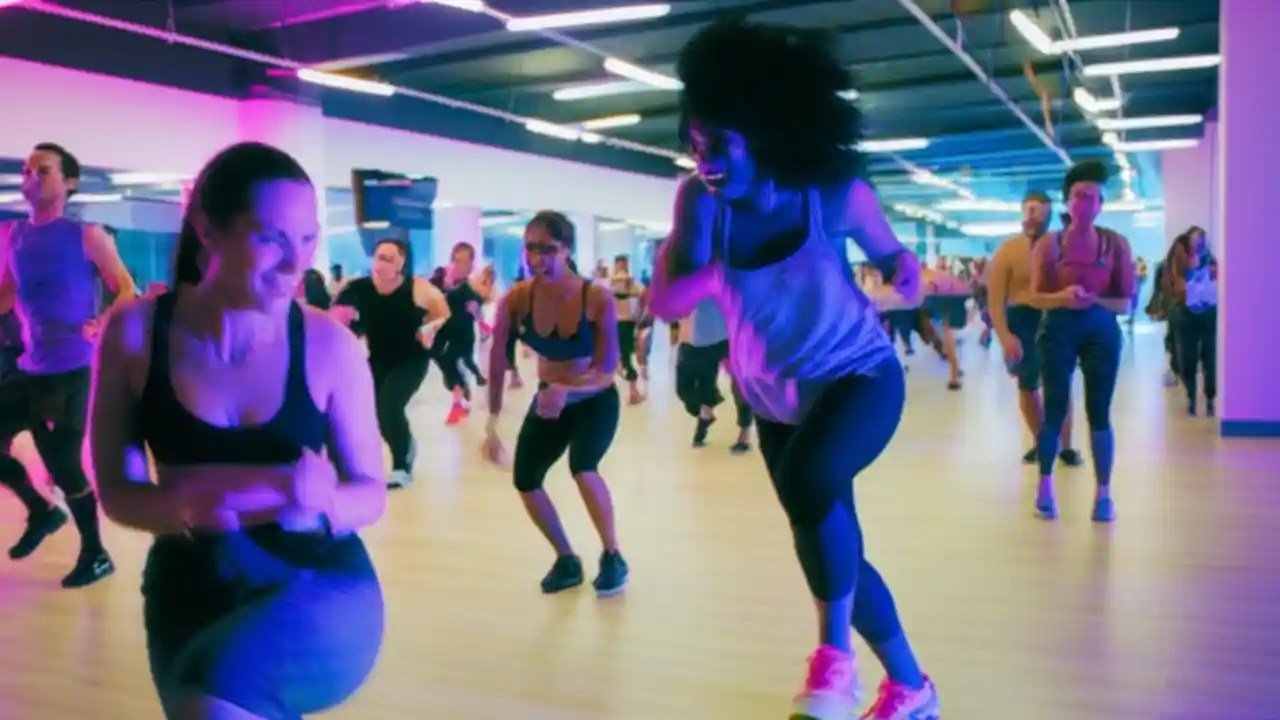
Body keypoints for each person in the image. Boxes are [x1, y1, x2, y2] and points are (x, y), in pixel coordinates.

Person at [648, 20, 938, 719]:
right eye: (694, 145)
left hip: (857, 377)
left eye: (719, 146)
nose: (705, 161)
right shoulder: (698, 203)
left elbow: (898, 263)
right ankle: (912, 687)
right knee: (830, 540)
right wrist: (708, 272)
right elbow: (665, 299)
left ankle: (832, 664)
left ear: (769, 134)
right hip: (774, 397)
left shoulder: (830, 193)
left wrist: (905, 272)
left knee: (811, 487)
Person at [88, 141, 386, 719]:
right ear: (207, 227)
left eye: (308, 239)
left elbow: (369, 492)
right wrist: (194, 509)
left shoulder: (329, 345)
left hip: (313, 580)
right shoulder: (133, 334)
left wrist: (321, 504)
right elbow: (118, 495)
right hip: (190, 586)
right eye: (272, 237)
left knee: (216, 701)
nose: (296, 262)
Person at [0, 142, 136, 588]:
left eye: (43, 171)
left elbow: (125, 290)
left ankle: (95, 553)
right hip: (31, 365)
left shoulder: (88, 235)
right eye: (26, 171)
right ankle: (41, 511)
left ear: (69, 182)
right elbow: (6, 293)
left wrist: (103, 322)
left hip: (74, 368)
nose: (31, 179)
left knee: (63, 464)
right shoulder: (13, 237)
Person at [482, 211, 630, 597]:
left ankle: (612, 554)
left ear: (567, 250)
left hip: (594, 397)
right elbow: (497, 358)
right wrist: (491, 423)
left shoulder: (594, 297)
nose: (536, 258)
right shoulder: (516, 299)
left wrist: (568, 389)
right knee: (526, 478)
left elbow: (607, 369)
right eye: (530, 247)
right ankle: (566, 558)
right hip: (551, 399)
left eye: (548, 249)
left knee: (583, 466)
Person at [1030, 160, 1136, 522]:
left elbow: (1125, 302)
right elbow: (1035, 296)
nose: (1085, 204)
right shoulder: (1049, 245)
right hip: (1057, 330)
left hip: (1100, 332)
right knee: (1055, 409)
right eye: (1078, 196)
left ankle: (1103, 494)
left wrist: (1091, 301)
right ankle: (1044, 487)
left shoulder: (1116, 244)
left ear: (1101, 204)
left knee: (1099, 413)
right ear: (1068, 201)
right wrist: (1063, 298)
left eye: (1092, 197)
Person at [332, 240, 449, 489]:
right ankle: (403, 447)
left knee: (390, 404)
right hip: (377, 360)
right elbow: (337, 318)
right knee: (373, 411)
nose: (381, 263)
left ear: (400, 264)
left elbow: (444, 313)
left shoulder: (417, 287)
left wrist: (431, 327)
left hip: (411, 359)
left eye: (388, 258)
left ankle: (402, 465)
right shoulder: (358, 288)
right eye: (378, 257)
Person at [988, 191, 1082, 466]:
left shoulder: (1061, 246)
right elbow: (996, 299)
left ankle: (1065, 445)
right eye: (1029, 211)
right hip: (1022, 321)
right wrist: (1005, 336)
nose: (1032, 219)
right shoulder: (1008, 250)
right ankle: (1041, 441)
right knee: (1027, 386)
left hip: (1055, 319)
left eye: (1039, 212)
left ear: (1049, 216)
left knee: (1059, 384)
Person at [432, 242, 490, 425]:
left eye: (465, 262)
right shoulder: (439, 277)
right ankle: (461, 386)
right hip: (443, 329)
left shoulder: (468, 290)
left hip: (462, 331)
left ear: (471, 265)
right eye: (457, 260)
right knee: (435, 353)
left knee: (454, 359)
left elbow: (476, 305)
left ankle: (457, 401)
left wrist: (481, 323)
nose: (459, 266)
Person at [1163, 226, 1218, 416]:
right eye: (1196, 243)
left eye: (1203, 243)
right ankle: (1191, 398)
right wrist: (1191, 271)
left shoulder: (1211, 260)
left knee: (1210, 357)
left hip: (1208, 314)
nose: (1200, 247)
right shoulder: (1178, 258)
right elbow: (1172, 285)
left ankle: (1210, 398)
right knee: (1187, 358)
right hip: (1185, 314)